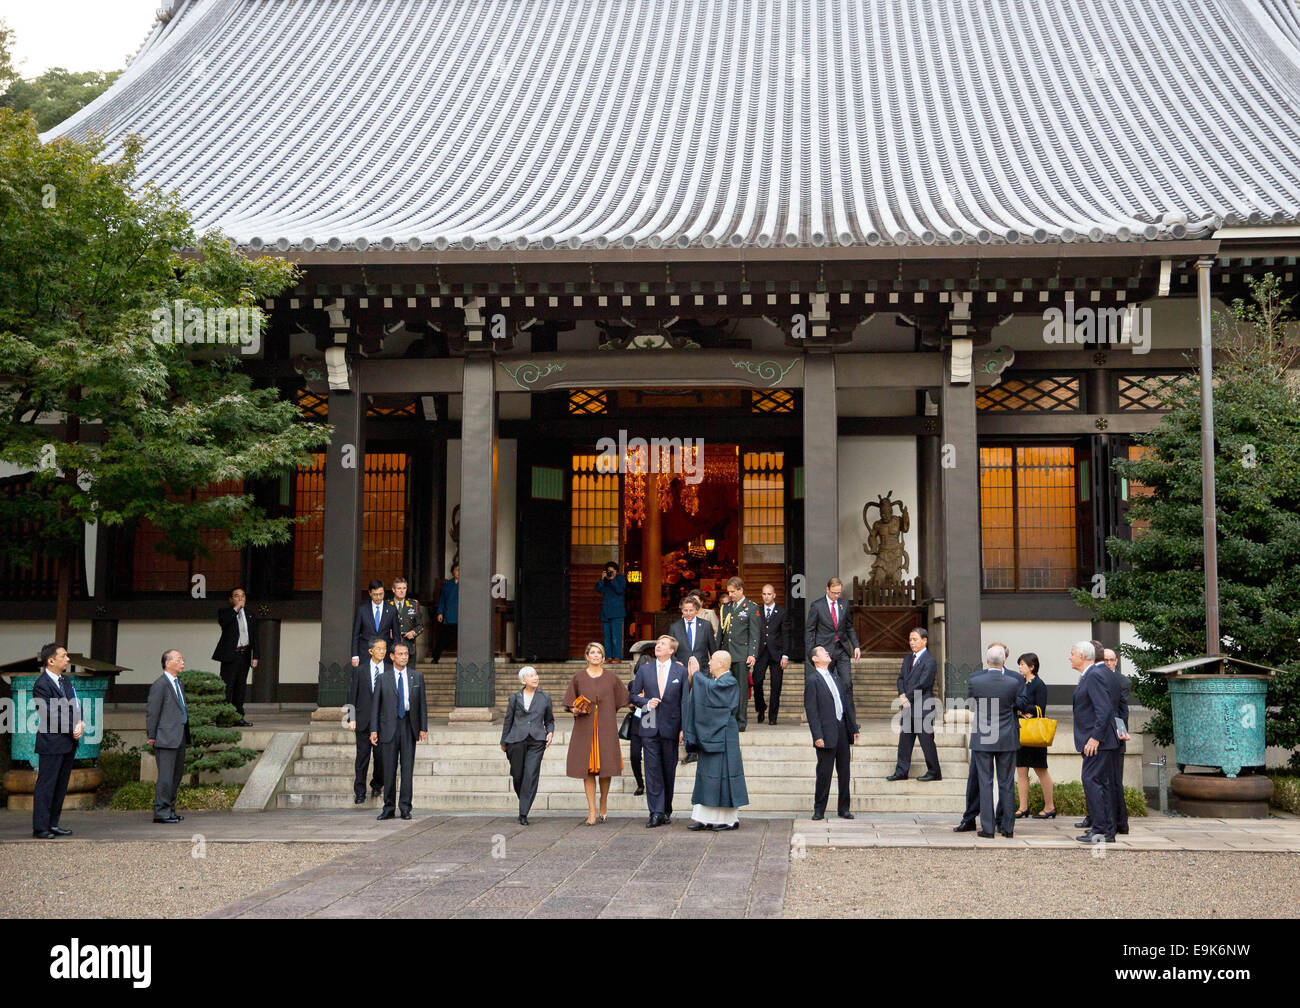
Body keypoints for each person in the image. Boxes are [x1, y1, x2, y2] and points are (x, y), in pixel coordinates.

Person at [954, 645, 1026, 834]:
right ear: (1004, 661)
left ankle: (987, 828)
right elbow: (1018, 703)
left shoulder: (976, 680)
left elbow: (971, 704)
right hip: (1006, 736)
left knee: (985, 782)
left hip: (983, 735)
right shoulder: (1013, 682)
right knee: (1006, 783)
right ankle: (1008, 828)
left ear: (987, 661)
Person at [562, 642, 630, 825]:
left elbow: (624, 699)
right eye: (592, 652)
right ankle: (591, 811)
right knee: (588, 770)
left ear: (603, 656)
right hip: (585, 729)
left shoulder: (611, 678)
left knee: (606, 768)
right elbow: (570, 703)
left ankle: (603, 801)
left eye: (599, 652)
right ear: (587, 656)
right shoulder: (578, 677)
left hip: (606, 728)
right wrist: (575, 709)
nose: (596, 655)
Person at [683, 650, 749, 831]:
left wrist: (697, 674)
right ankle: (704, 818)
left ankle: (728, 820)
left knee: (725, 776)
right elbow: (707, 691)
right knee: (706, 776)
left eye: (711, 660)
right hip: (712, 733)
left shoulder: (729, 681)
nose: (709, 663)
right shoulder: (716, 681)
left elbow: (712, 692)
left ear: (721, 663)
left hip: (724, 734)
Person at [630, 635, 687, 827]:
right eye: (657, 643)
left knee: (668, 770)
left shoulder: (680, 671)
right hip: (649, 721)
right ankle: (655, 812)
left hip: (671, 725)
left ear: (671, 650)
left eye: (663, 644)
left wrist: (683, 728)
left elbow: (685, 702)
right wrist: (647, 702)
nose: (658, 646)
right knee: (652, 770)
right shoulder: (645, 670)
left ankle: (666, 810)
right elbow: (633, 695)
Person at [370, 642, 428, 820]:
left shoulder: (416, 677)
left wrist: (423, 727)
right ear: (392, 656)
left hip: (409, 725)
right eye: (400, 654)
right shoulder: (383, 678)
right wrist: (374, 730)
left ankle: (405, 808)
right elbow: (375, 706)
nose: (403, 657)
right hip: (389, 726)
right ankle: (388, 808)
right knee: (389, 769)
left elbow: (422, 704)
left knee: (407, 769)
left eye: (406, 654)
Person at [31, 643, 84, 839]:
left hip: (68, 742)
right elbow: (49, 715)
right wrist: (72, 728)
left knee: (60, 786)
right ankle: (41, 827)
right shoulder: (42, 685)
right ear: (51, 660)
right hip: (51, 742)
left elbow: (75, 704)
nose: (67, 659)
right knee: (46, 786)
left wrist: (80, 723)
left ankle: (53, 824)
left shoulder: (65, 681)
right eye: (64, 656)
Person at [1070, 640, 1119, 843]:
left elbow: (1104, 709)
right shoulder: (1090, 675)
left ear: (1082, 656)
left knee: (1091, 781)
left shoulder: (1094, 675)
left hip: (1098, 742)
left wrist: (1095, 738)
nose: (1070, 658)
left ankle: (1100, 829)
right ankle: (1106, 830)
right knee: (1101, 783)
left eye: (1072, 654)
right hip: (1099, 740)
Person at [804, 646, 859, 820]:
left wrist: (853, 727)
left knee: (845, 772)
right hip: (826, 732)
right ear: (815, 658)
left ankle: (844, 809)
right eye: (822, 651)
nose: (827, 652)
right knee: (824, 773)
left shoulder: (835, 677)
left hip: (842, 729)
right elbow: (811, 710)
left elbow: (845, 704)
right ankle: (819, 809)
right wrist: (817, 735)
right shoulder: (812, 680)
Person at [500, 666, 554, 825]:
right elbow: (508, 720)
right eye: (531, 676)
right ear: (523, 680)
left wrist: (550, 732)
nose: (535, 678)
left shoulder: (545, 697)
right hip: (516, 740)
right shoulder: (514, 698)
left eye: (536, 675)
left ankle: (523, 813)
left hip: (537, 740)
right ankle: (524, 801)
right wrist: (503, 741)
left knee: (530, 775)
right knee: (517, 775)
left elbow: (549, 720)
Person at [888, 627, 940, 781]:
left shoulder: (930, 661)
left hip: (923, 707)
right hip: (908, 707)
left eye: (915, 639)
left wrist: (906, 697)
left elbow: (923, 683)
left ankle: (934, 772)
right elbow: (901, 679)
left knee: (926, 742)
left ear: (924, 640)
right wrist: (901, 694)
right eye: (910, 639)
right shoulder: (907, 659)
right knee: (904, 742)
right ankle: (901, 771)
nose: (912, 642)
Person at [145, 649, 190, 825]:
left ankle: (170, 809)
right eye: (179, 659)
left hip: (179, 735)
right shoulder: (160, 684)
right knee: (165, 777)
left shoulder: (179, 683)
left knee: (176, 776)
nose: (182, 663)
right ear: (168, 663)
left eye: (182, 659)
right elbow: (153, 711)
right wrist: (151, 735)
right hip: (165, 737)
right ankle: (161, 812)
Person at [346, 636, 388, 803]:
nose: (382, 651)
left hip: (383, 722)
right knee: (362, 758)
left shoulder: (390, 670)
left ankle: (377, 785)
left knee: (381, 758)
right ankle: (360, 792)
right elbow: (352, 695)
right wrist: (351, 718)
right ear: (371, 651)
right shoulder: (360, 670)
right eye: (379, 648)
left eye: (384, 648)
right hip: (363, 720)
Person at [1013, 652, 1055, 819]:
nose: (1020, 667)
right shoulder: (1019, 683)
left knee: (1041, 770)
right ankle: (1023, 807)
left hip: (1035, 734)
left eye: (1023, 664)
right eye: (1020, 664)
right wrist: (1021, 710)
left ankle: (1050, 807)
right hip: (1022, 732)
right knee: (1021, 770)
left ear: (1032, 667)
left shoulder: (1039, 685)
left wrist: (1024, 709)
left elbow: (1040, 708)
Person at [212, 587, 257, 726]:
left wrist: (256, 656)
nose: (241, 598)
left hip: (244, 655)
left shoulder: (250, 614)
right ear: (231, 599)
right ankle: (223, 718)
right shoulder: (225, 612)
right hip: (230, 655)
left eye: (243, 596)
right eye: (237, 596)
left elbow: (255, 636)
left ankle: (238, 717)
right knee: (227, 686)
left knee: (240, 687)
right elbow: (223, 623)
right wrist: (236, 608)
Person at [718, 577, 759, 730]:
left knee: (741, 690)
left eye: (733, 592)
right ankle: (727, 720)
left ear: (741, 590)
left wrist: (752, 654)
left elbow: (754, 633)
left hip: (741, 655)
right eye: (729, 592)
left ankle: (740, 722)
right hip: (726, 655)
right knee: (725, 688)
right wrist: (716, 653)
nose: (730, 595)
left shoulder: (751, 607)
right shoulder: (726, 607)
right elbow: (721, 633)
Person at [804, 577, 861, 686]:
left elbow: (849, 627)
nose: (836, 596)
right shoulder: (817, 606)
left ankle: (846, 698)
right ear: (827, 589)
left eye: (839, 593)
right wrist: (811, 652)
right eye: (834, 593)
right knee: (825, 684)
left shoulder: (844, 604)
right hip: (825, 650)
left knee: (847, 682)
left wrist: (856, 646)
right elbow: (810, 630)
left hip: (842, 649)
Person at [1102, 648, 1132, 835]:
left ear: (1116, 661)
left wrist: (1121, 732)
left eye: (1111, 660)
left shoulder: (1122, 682)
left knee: (1115, 782)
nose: (1108, 663)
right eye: (1105, 660)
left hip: (1116, 735)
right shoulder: (1096, 678)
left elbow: (1121, 712)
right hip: (1104, 736)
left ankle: (1120, 822)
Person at [753, 583, 789, 725]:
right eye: (764, 594)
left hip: (777, 653)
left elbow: (786, 635)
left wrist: (785, 655)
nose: (766, 597)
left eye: (769, 594)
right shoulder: (757, 611)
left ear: (774, 595)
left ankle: (773, 716)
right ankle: (761, 707)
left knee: (776, 685)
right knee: (757, 681)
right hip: (760, 653)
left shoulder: (782, 612)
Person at [352, 579, 396, 668]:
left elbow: (396, 635)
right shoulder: (362, 610)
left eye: (381, 594)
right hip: (365, 653)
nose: (378, 597)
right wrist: (354, 655)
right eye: (375, 594)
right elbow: (355, 634)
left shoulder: (392, 609)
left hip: (385, 654)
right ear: (370, 593)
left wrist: (396, 654)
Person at [670, 595, 714, 674]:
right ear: (681, 610)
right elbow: (670, 650)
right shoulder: (674, 627)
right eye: (685, 610)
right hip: (681, 670)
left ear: (696, 610)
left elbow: (713, 649)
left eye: (691, 610)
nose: (688, 613)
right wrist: (675, 662)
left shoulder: (706, 625)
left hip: (703, 671)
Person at [596, 562, 627, 663]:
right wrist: (602, 579)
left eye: (612, 571)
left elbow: (620, 590)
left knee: (616, 636)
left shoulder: (620, 578)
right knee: (607, 637)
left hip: (617, 612)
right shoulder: (605, 580)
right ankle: (608, 656)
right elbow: (598, 589)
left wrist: (613, 579)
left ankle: (617, 657)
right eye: (608, 571)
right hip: (605, 612)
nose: (610, 573)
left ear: (616, 571)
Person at [432, 564, 459, 662]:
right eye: (457, 570)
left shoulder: (465, 584)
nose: (459, 572)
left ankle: (461, 660)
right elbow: (442, 600)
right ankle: (435, 658)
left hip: (461, 616)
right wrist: (440, 612)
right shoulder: (447, 584)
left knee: (461, 640)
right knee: (442, 638)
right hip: (448, 615)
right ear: (453, 571)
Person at [392, 576, 424, 660]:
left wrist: (413, 632)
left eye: (404, 588)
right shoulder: (387, 604)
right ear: (393, 589)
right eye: (399, 588)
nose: (402, 591)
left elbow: (420, 625)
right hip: (392, 646)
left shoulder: (414, 604)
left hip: (408, 646)